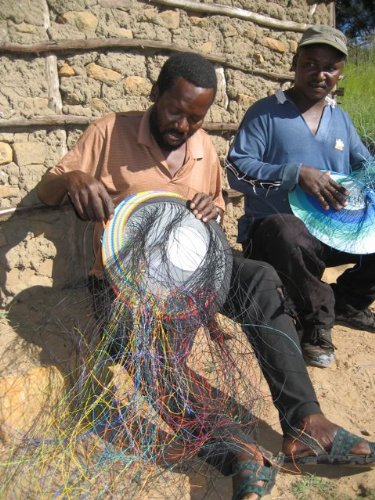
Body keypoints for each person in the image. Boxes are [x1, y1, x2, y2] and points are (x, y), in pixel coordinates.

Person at [37, 52, 374, 498]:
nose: (183, 125)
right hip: (130, 279)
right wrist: (75, 178)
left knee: (256, 277)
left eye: (196, 118)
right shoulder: (109, 130)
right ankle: (233, 449)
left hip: (197, 265)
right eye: (176, 111)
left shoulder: (201, 148)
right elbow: (49, 186)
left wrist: (212, 210)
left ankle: (305, 423)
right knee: (152, 356)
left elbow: (214, 210)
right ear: (155, 95)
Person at [227, 25, 375, 369]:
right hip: (273, 235)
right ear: (295, 63)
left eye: (329, 67)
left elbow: (364, 167)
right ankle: (316, 324)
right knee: (289, 230)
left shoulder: (340, 119)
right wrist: (295, 174)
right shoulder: (266, 113)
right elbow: (237, 169)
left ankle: (349, 303)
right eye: (310, 63)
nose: (319, 74)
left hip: (330, 232)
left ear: (340, 73)